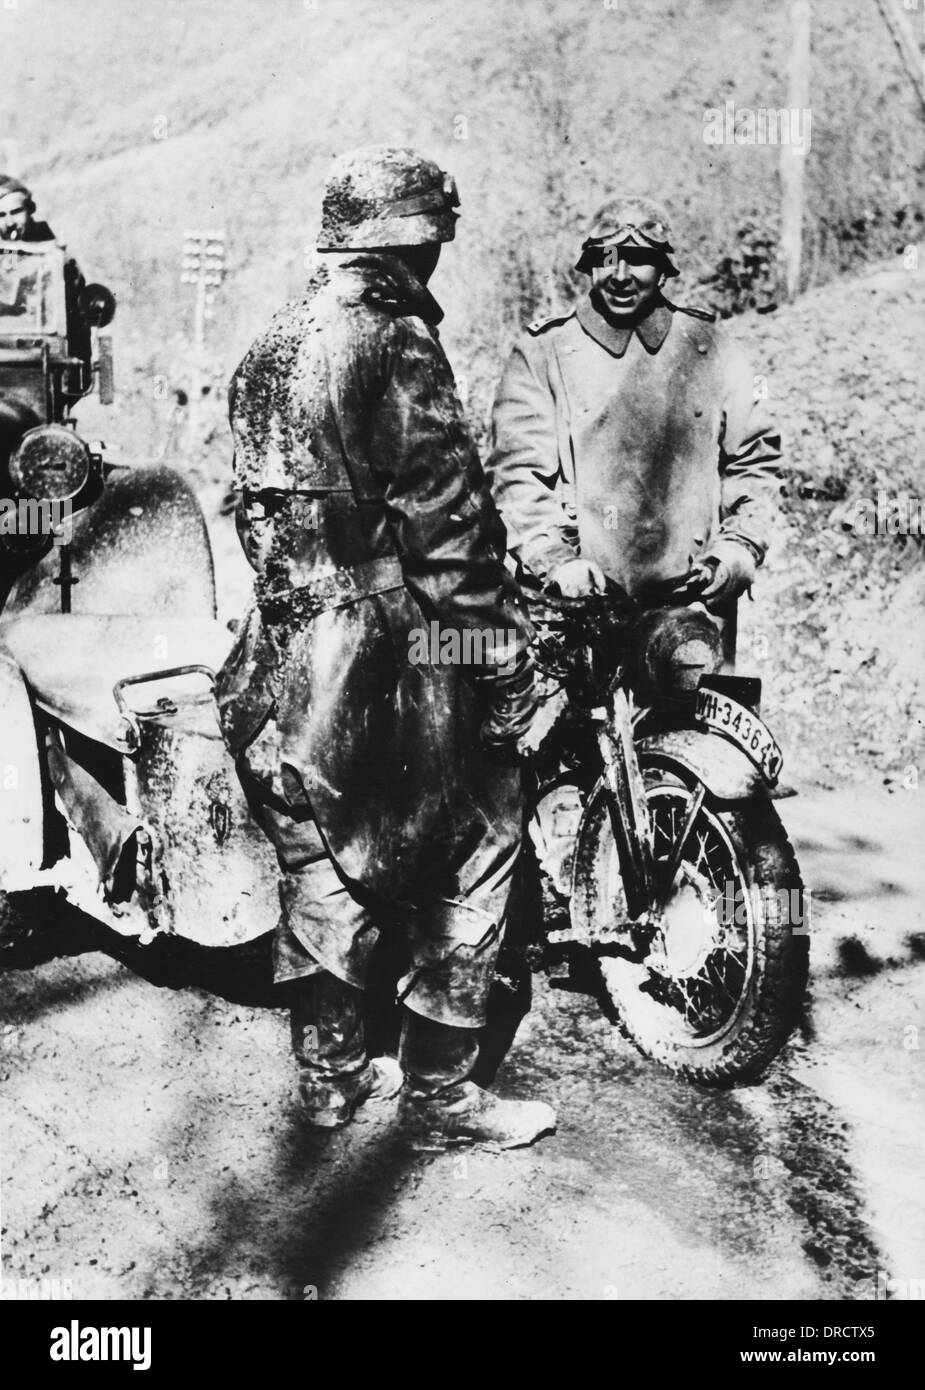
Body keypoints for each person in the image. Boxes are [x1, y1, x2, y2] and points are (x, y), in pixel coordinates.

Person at [217, 145, 555, 1150]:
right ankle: (442, 1098)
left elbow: (259, 523)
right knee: (483, 834)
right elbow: (449, 540)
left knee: (321, 858)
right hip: (384, 655)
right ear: (411, 243)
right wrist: (505, 668)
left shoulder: (267, 349)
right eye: (436, 240)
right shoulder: (394, 346)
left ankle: (327, 1077)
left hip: (279, 655)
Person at [486, 195, 782, 632]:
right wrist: (553, 559)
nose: (621, 276)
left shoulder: (711, 347)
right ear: (589, 265)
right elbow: (517, 480)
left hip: (695, 605)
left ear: (663, 268)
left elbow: (754, 461)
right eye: (607, 260)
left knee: (706, 697)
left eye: (639, 260)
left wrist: (739, 547)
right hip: (577, 607)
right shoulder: (542, 353)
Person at [0, 176, 55, 243]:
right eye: (1, 215)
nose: (10, 223)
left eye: (16, 212)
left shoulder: (42, 230)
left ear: (30, 209)